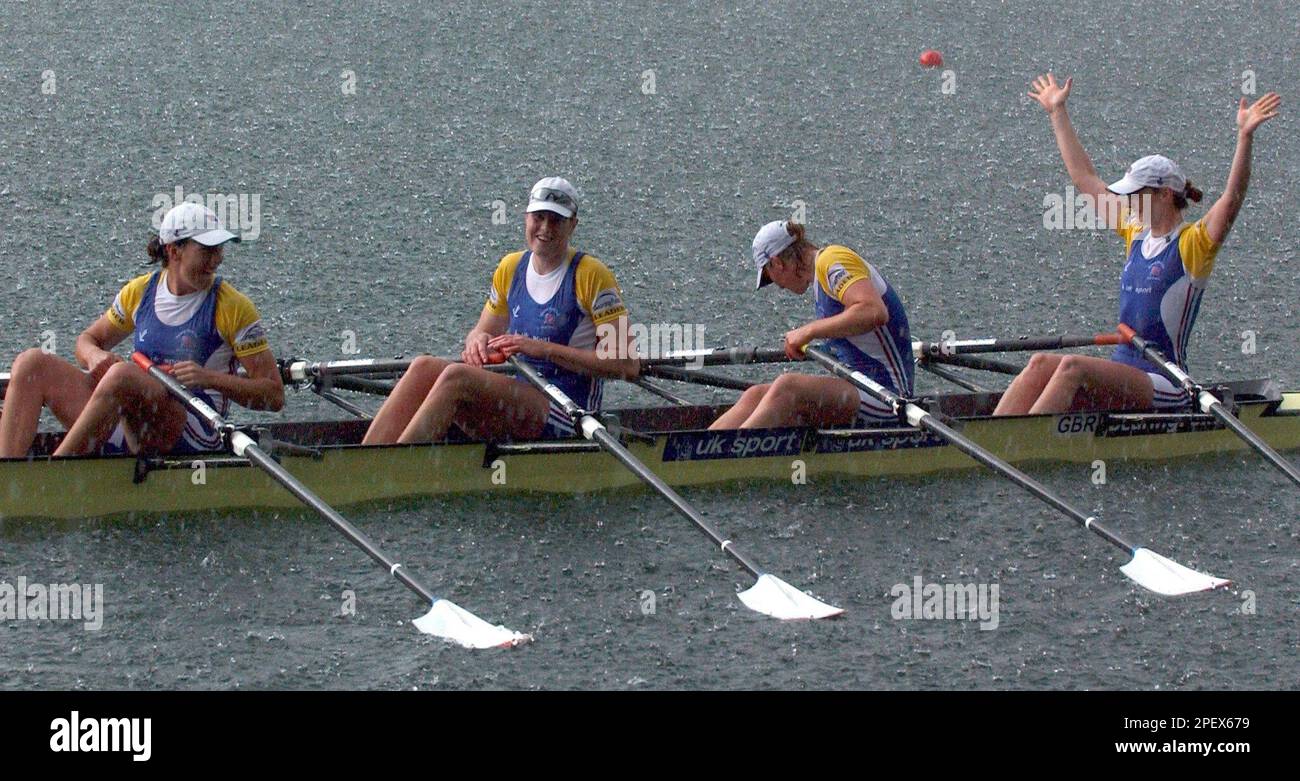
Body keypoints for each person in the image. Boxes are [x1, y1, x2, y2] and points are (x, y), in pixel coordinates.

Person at [994, 74, 1281, 415]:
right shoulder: (1135, 231)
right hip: (1125, 371)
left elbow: (1232, 199)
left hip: (1167, 382)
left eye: (1134, 193)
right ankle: (991, 435)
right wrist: (1058, 112)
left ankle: (1024, 444)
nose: (1126, 200)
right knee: (1041, 362)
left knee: (1072, 367)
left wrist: (1244, 137)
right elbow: (1085, 179)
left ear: (1163, 195)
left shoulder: (1193, 244)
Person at [363, 177, 639, 444]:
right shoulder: (510, 268)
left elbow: (626, 365)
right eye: (538, 217)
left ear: (573, 226)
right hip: (522, 399)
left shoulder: (591, 275)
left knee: (456, 377)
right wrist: (476, 342)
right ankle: (369, 460)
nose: (545, 228)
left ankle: (398, 470)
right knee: (423, 366)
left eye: (556, 220)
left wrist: (543, 350)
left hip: (569, 411)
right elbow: (482, 331)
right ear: (526, 218)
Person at [0, 202, 284, 458]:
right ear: (174, 251)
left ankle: (52, 476)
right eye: (207, 250)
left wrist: (209, 378)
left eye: (219, 249)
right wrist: (93, 357)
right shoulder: (139, 292)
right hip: (134, 423)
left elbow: (273, 395)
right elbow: (88, 340)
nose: (217, 259)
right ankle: (8, 472)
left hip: (193, 427)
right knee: (31, 363)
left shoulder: (233, 307)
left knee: (123, 374)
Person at [709, 220, 913, 429]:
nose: (778, 286)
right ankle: (701, 451)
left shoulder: (832, 260)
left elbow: (874, 311)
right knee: (755, 395)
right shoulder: (820, 279)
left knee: (788, 387)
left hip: (888, 397)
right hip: (856, 389)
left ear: (777, 262)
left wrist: (808, 331)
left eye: (771, 278)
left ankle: (731, 452)